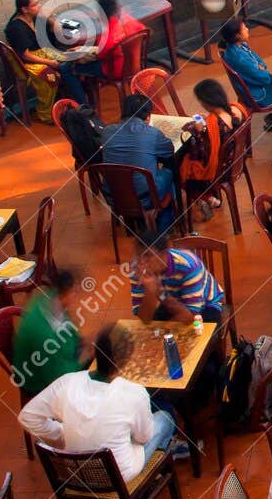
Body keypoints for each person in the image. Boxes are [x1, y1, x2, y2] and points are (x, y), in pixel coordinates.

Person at [18, 323, 177, 478]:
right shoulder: (134, 392)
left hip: (77, 474)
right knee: (165, 418)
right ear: (126, 359)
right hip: (120, 477)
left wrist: (62, 434)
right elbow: (144, 437)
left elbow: (28, 417)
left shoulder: (67, 383)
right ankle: (152, 475)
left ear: (94, 352)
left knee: (124, 427)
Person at [100, 93, 178, 234]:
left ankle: (139, 224)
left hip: (115, 196)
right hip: (145, 197)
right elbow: (169, 151)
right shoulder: (152, 133)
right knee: (168, 173)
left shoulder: (107, 132)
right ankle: (164, 226)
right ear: (148, 117)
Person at [176, 79, 247, 223]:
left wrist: (198, 132)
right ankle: (209, 197)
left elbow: (204, 154)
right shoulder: (236, 109)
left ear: (206, 102)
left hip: (222, 169)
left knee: (183, 165)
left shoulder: (215, 124)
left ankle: (205, 197)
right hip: (235, 160)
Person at [12, 269, 89, 398]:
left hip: (55, 361)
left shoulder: (51, 298)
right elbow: (58, 377)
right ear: (67, 292)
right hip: (38, 382)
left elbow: (68, 329)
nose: (77, 296)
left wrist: (80, 341)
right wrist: (83, 360)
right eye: (75, 292)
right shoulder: (42, 333)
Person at [5, 0, 85, 110]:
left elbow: (57, 30)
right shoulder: (15, 28)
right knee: (49, 76)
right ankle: (47, 112)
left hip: (43, 53)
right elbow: (26, 55)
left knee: (74, 60)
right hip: (28, 62)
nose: (39, 6)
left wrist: (49, 18)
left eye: (38, 2)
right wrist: (49, 62)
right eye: (35, 4)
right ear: (24, 9)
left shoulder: (35, 18)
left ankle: (76, 101)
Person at [130, 241, 224, 325]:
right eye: (139, 255)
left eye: (148, 255)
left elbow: (190, 317)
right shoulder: (137, 269)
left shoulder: (189, 265)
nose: (142, 262)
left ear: (164, 254)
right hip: (170, 301)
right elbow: (145, 319)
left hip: (205, 304)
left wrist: (163, 332)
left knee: (197, 337)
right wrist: (150, 291)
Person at [217, 18, 272, 112]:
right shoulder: (238, 58)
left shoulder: (241, 45)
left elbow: (262, 64)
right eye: (244, 28)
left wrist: (261, 68)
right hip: (261, 94)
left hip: (257, 85)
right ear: (237, 35)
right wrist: (261, 69)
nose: (247, 29)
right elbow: (264, 78)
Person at [95, 0, 148, 83]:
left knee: (68, 68)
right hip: (136, 64)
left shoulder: (105, 33)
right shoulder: (129, 20)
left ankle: (81, 96)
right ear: (117, 9)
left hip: (116, 71)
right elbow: (144, 33)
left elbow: (100, 56)